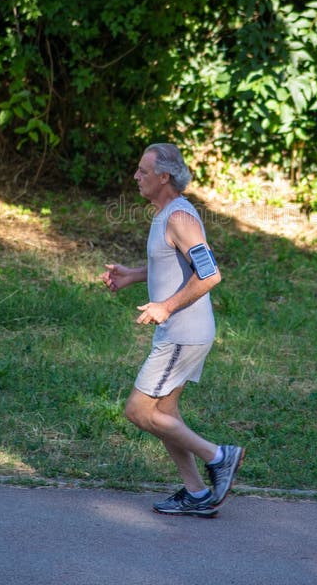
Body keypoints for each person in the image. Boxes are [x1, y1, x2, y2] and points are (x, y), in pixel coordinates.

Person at [102, 142, 244, 518]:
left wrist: (166, 306)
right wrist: (132, 276)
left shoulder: (180, 218)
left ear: (164, 176)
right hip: (179, 332)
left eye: (143, 171)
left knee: (137, 411)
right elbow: (173, 265)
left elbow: (210, 273)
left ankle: (219, 456)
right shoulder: (166, 214)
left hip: (183, 332)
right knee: (165, 413)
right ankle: (197, 494)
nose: (136, 176)